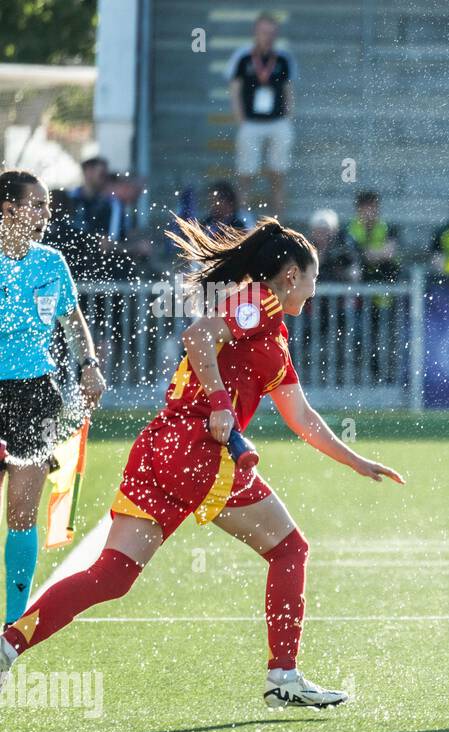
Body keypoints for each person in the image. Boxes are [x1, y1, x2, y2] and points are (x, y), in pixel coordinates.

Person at [0, 217, 404, 706]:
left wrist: (354, 460)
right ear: (293, 276)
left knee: (112, 575)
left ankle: (7, 644)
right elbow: (197, 337)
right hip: (199, 453)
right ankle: (284, 677)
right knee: (289, 550)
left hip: (159, 446)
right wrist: (217, 400)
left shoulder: (272, 334)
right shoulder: (259, 302)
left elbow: (301, 417)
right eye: (314, 281)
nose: (315, 293)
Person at [0, 170, 106, 630]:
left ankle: (11, 628)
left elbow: (73, 322)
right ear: (7, 210)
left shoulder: (51, 263)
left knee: (21, 514)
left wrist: (89, 365)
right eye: (37, 205)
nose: (46, 214)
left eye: (47, 205)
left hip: (35, 393)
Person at [226, 12, 296, 215]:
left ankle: (277, 222)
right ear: (255, 32)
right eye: (263, 31)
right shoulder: (244, 58)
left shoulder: (282, 59)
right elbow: (235, 90)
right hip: (251, 122)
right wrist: (241, 120)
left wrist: (288, 118)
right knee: (246, 175)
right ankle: (243, 224)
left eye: (271, 32)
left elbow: (289, 90)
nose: (267, 36)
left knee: (278, 175)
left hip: (277, 122)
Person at [308, 208, 360, 283]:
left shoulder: (343, 246)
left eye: (325, 230)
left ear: (334, 232)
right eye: (318, 231)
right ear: (313, 232)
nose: (322, 235)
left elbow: (354, 267)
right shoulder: (307, 247)